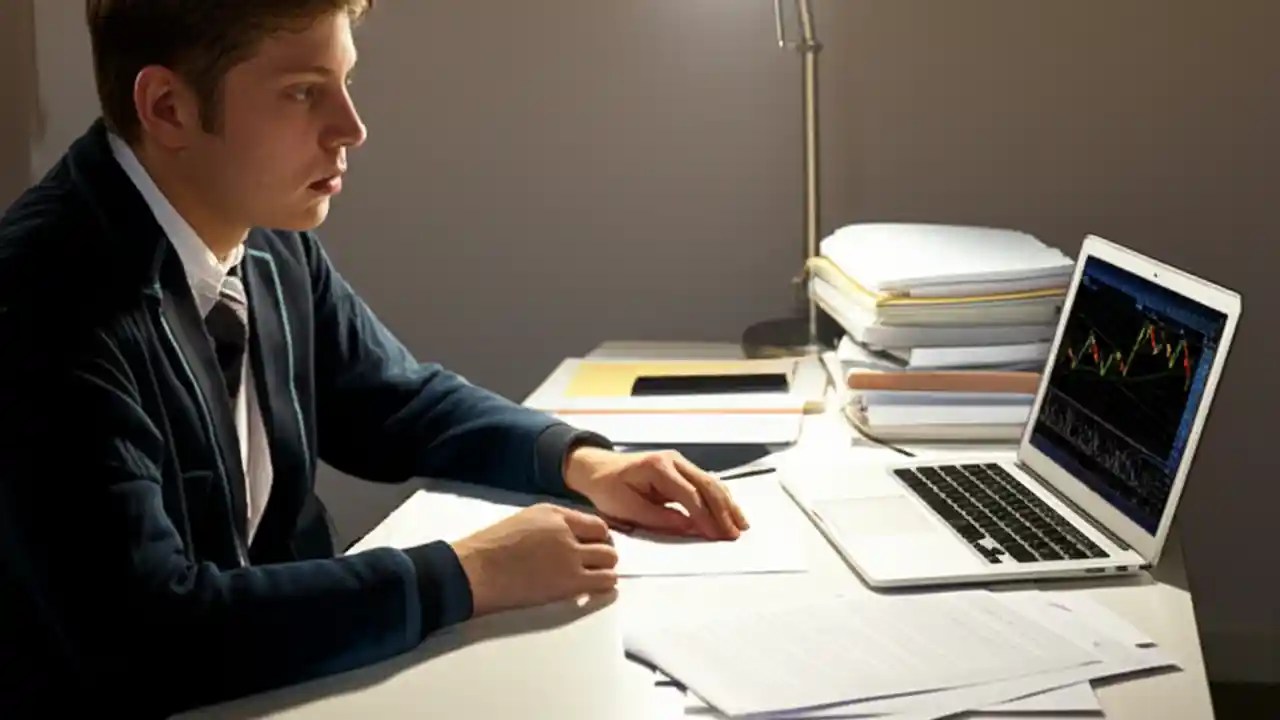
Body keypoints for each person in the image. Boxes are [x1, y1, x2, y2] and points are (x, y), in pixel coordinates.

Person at [0, 1, 749, 716]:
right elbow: (150, 637)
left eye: (345, 83)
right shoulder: (40, 299)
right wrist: (466, 575)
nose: (350, 127)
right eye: (302, 92)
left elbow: (395, 402)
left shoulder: (263, 236)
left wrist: (584, 463)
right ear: (169, 108)